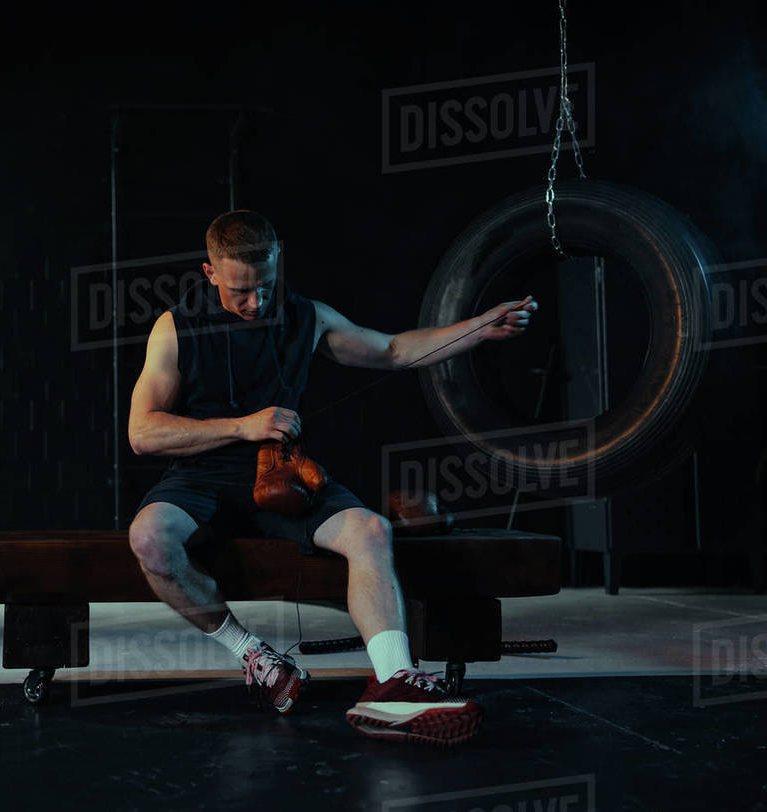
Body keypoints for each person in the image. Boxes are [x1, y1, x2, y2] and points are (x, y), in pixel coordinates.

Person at [126, 210, 537, 746]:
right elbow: (142, 432)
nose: (255, 302)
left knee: (370, 529)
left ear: (278, 262)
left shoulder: (308, 316)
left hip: (284, 473)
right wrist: (241, 425)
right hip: (202, 474)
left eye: (265, 286)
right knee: (149, 538)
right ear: (209, 272)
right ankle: (253, 655)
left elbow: (394, 350)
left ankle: (393, 683)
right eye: (240, 291)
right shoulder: (175, 327)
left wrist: (480, 327)